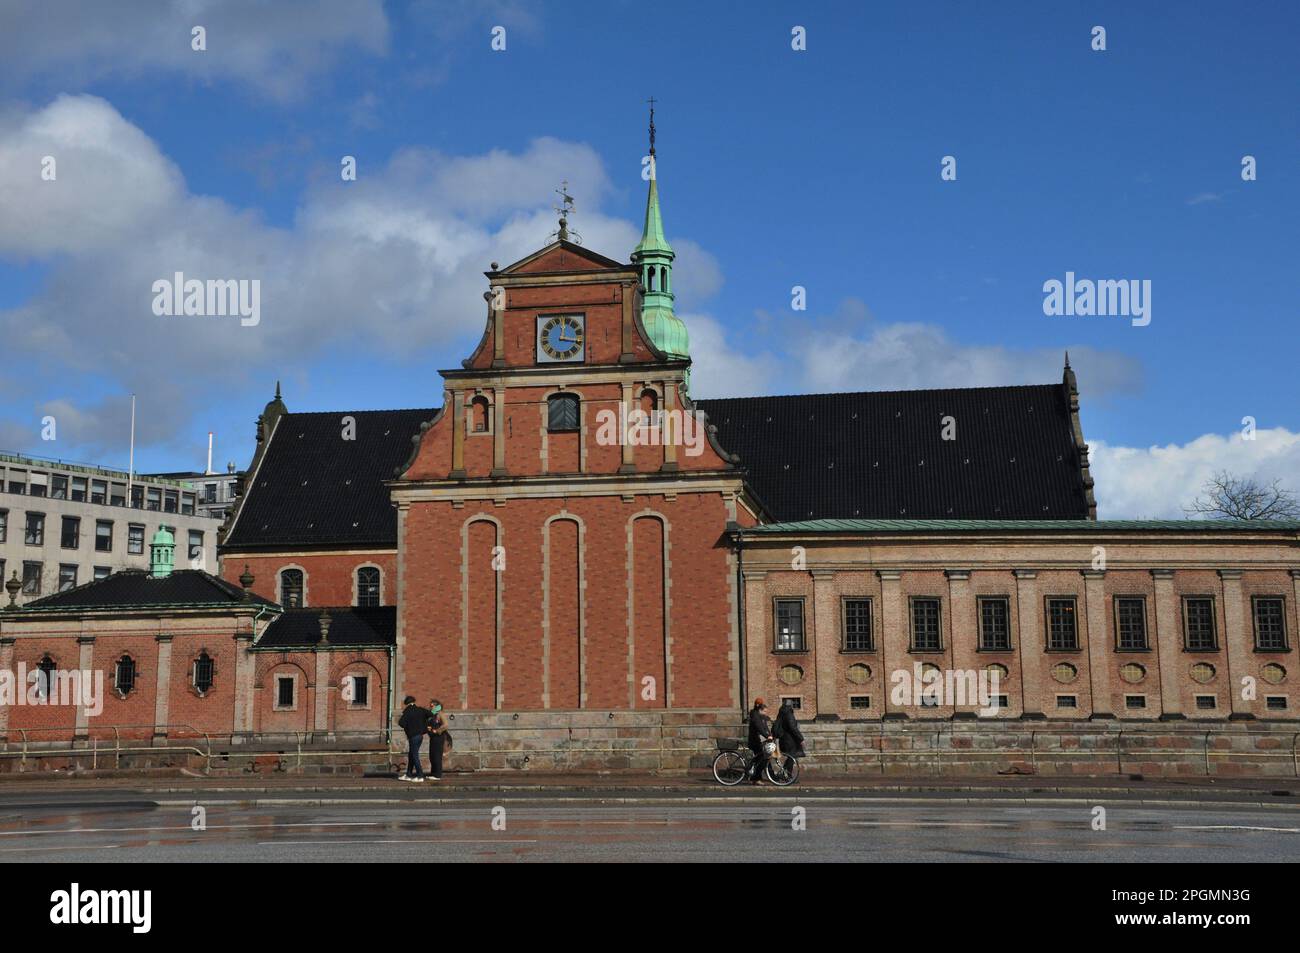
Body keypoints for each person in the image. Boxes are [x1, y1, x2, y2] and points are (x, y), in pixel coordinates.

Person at [397, 695, 430, 782]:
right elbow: (430, 714)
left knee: (414, 755)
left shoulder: (408, 711)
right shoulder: (420, 709)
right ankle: (408, 774)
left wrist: (409, 726)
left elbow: (401, 723)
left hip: (413, 736)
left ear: (407, 703)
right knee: (411, 754)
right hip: (420, 735)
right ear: (414, 702)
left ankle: (420, 776)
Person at [746, 697, 774, 784]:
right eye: (764, 711)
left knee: (759, 758)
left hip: (759, 741)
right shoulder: (755, 716)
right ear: (760, 709)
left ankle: (755, 777)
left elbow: (764, 727)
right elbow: (759, 727)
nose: (766, 713)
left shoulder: (761, 716)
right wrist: (767, 736)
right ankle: (756, 778)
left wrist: (770, 735)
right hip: (755, 741)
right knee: (763, 757)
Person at [426, 698, 448, 781]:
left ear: (436, 706)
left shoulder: (440, 714)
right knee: (432, 756)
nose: (430, 707)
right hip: (432, 737)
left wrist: (437, 730)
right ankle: (433, 773)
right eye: (430, 706)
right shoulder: (431, 714)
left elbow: (445, 725)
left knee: (437, 756)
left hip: (439, 737)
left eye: (432, 706)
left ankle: (437, 775)